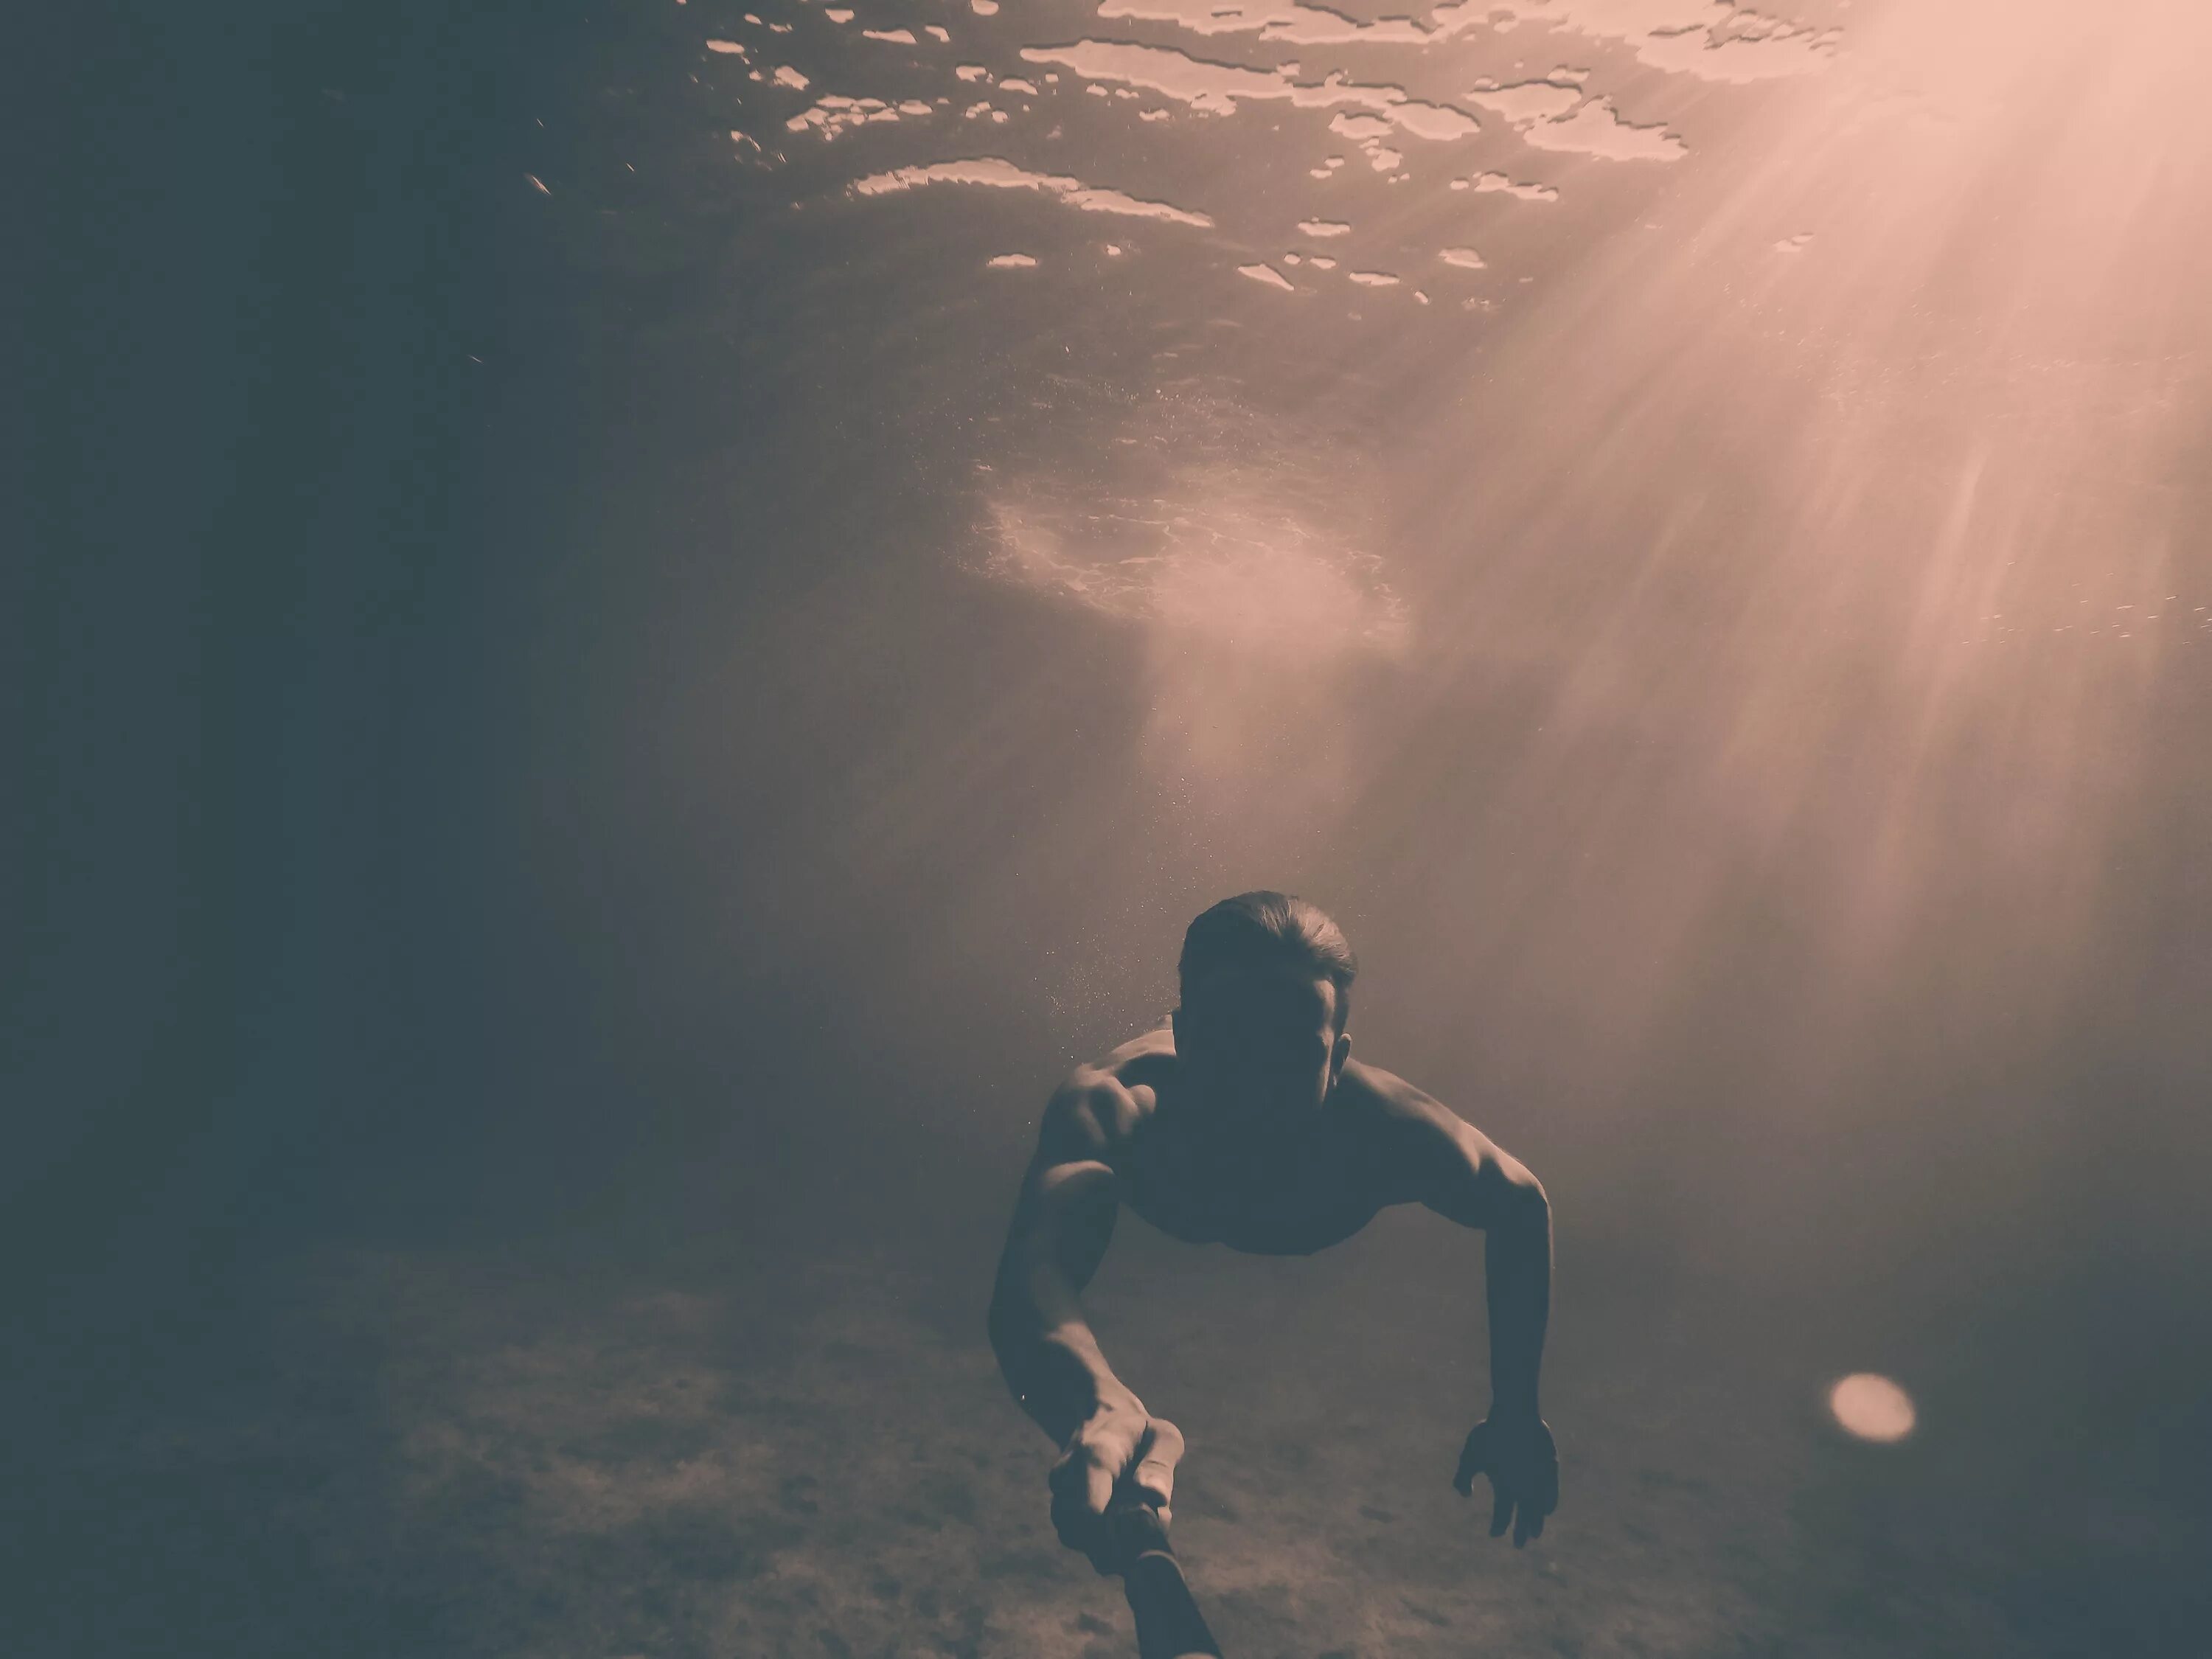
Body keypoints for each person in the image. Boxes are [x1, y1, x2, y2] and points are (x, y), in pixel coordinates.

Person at [986, 891, 1559, 1575]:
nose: (1254, 1092)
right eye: (1231, 1049)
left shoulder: (1383, 1131)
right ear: (1183, 1035)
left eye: (1291, 1057)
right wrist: (1098, 1400)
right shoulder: (1119, 1103)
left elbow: (1521, 1203)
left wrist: (1517, 1409)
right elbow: (1033, 1274)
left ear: (1338, 1060)